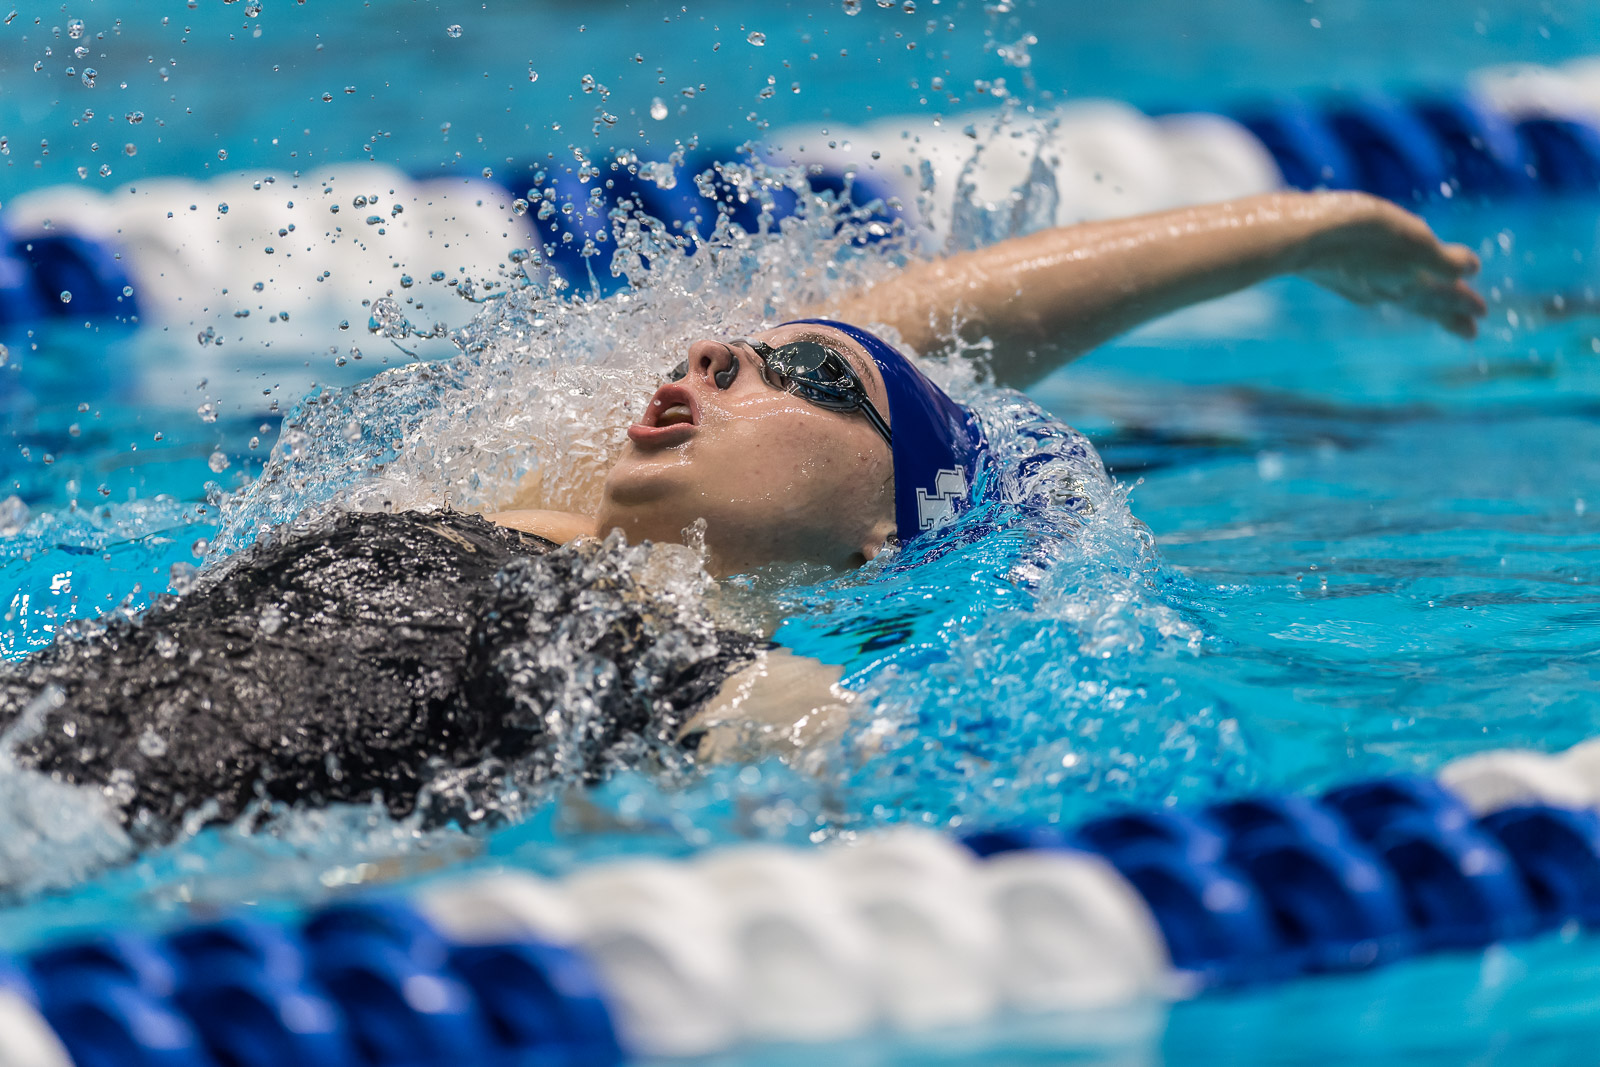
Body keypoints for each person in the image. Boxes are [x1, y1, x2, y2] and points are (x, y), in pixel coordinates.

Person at [0, 190, 1484, 843]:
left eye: (802, 379)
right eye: (733, 346)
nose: (715, 352)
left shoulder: (732, 684)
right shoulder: (513, 515)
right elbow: (914, 324)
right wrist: (1300, 226)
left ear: (883, 538)